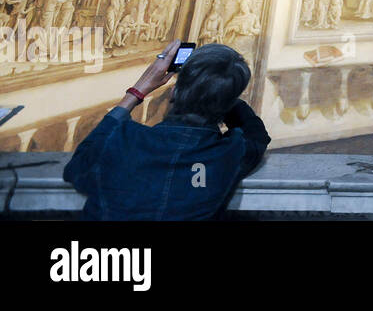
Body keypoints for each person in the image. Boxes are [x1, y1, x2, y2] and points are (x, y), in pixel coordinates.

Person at [63, 40, 270, 220]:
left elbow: (75, 169)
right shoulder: (229, 153)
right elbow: (257, 133)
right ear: (228, 105)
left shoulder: (121, 139)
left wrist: (139, 89)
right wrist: (219, 95)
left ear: (173, 92)